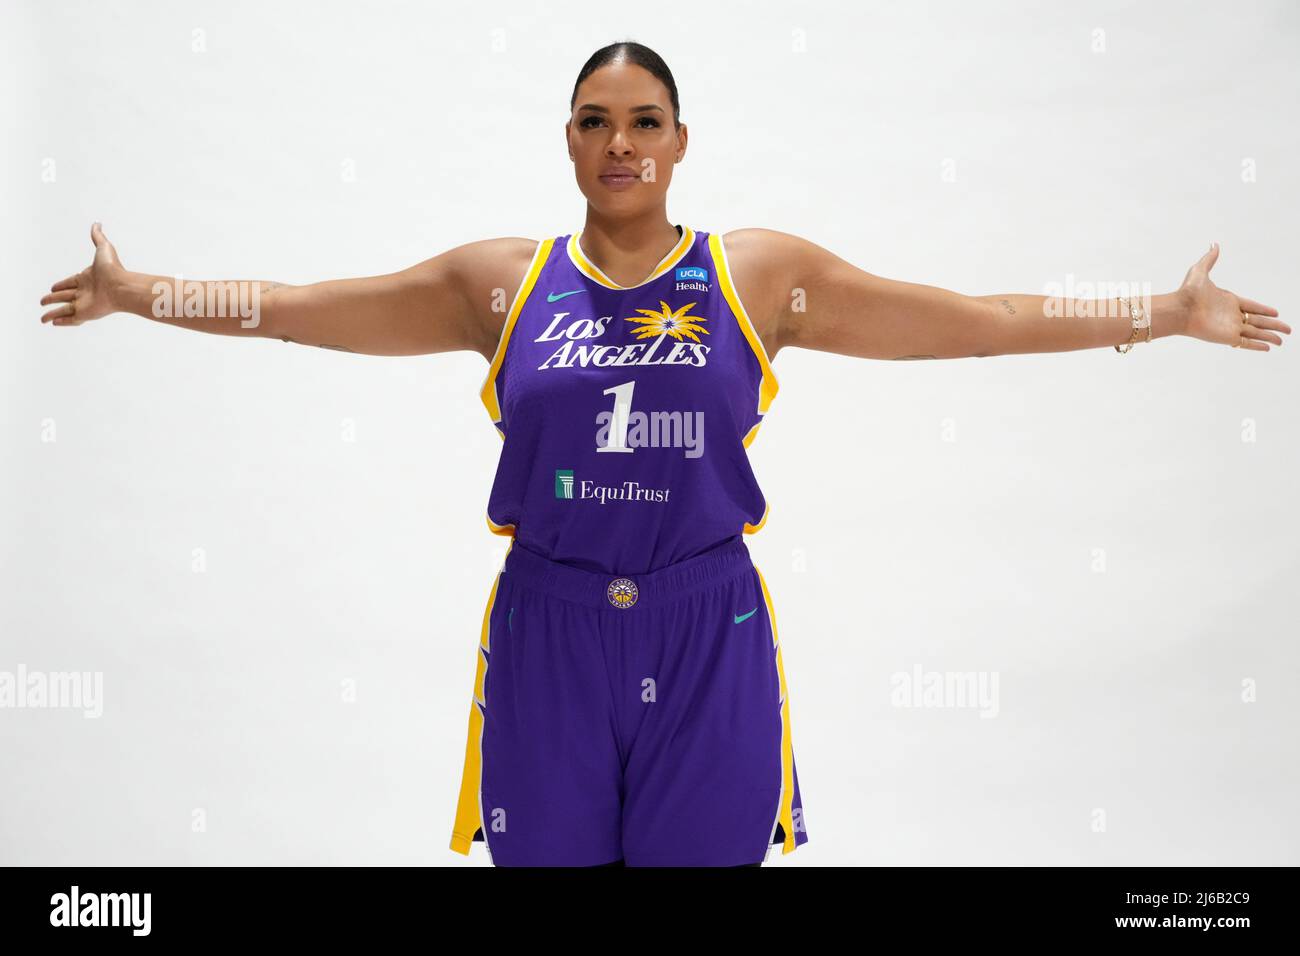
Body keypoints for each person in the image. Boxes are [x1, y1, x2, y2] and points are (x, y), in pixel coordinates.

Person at [39, 41, 1287, 868]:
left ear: (681, 139)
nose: (620, 141)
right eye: (596, 121)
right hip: (551, 631)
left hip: (706, 630)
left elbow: (977, 323)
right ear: (567, 140)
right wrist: (144, 290)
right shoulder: (501, 285)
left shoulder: (756, 276)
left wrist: (1159, 314)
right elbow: (304, 303)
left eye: (645, 121)